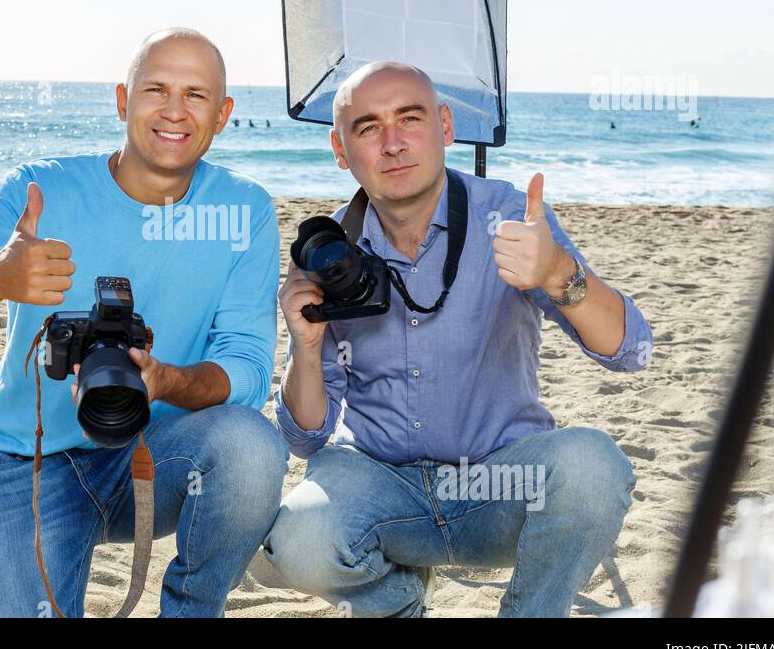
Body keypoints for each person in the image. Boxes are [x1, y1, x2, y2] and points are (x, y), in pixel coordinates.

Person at [264, 61, 652, 617]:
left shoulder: (511, 218)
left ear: (445, 126)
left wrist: (556, 273)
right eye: (368, 127)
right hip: (376, 482)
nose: (393, 144)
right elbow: (305, 436)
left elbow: (632, 350)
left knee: (593, 466)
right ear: (340, 149)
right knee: (300, 540)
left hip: (498, 481)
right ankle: (400, 605)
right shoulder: (329, 250)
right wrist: (304, 345)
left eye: (410, 118)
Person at [0, 28, 287, 617]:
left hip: (154, 454)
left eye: (196, 95)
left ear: (224, 113)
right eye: (155, 88)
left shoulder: (245, 210)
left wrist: (164, 381)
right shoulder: (37, 189)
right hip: (30, 461)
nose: (175, 111)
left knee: (252, 446)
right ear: (121, 100)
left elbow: (249, 368)